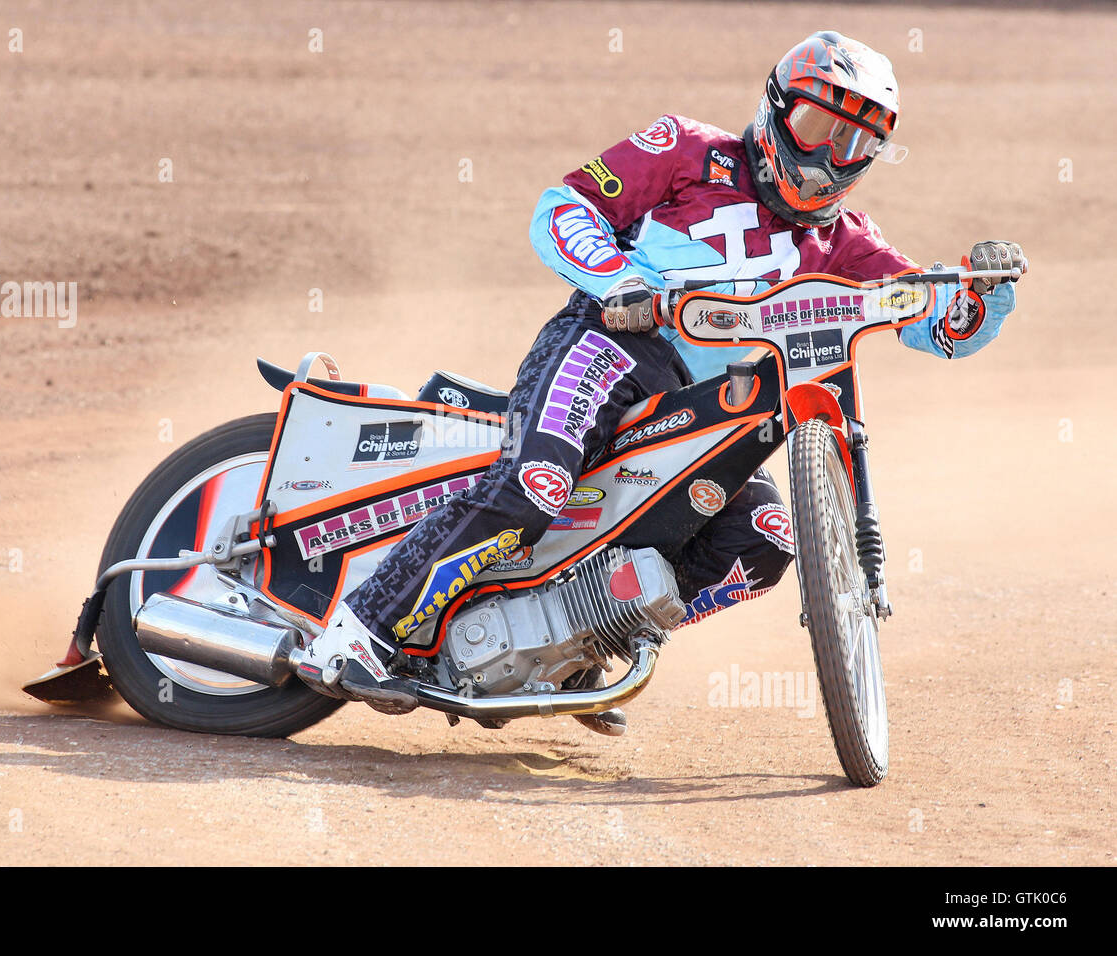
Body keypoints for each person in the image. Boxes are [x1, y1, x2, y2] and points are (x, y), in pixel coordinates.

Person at [296, 31, 1027, 728]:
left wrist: (986, 292)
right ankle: (359, 632)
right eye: (817, 125)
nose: (832, 155)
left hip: (700, 414)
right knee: (536, 484)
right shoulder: (686, 148)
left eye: (856, 141)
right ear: (776, 109)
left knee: (765, 536)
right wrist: (618, 283)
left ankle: (576, 645)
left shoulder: (847, 243)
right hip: (611, 344)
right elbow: (565, 209)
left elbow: (933, 322)